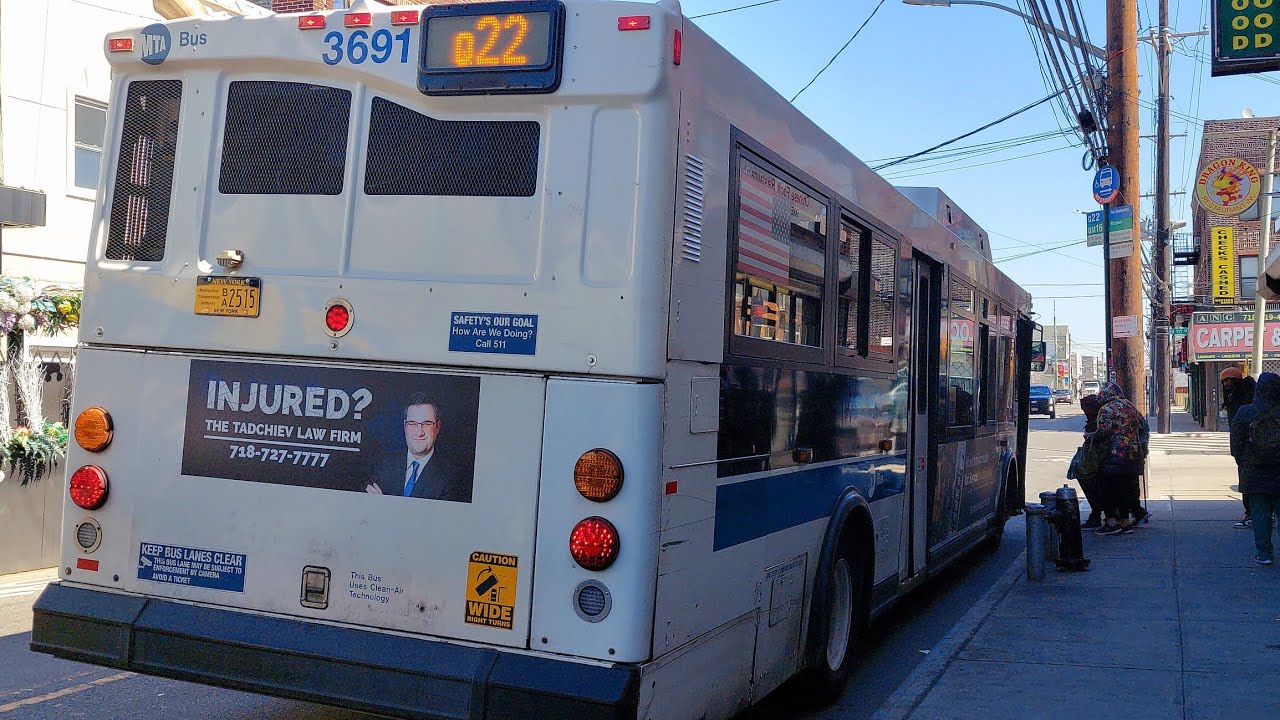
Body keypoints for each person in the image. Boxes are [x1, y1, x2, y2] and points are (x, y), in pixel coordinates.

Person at [366, 393, 471, 503]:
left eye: (426, 424)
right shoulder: (385, 464)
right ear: (405, 426)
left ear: (437, 427)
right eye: (412, 423)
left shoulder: (453, 477)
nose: (419, 432)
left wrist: (384, 504)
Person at [1229, 372, 1280, 565]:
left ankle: (1264, 553)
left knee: (1260, 513)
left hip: (1254, 471)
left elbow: (1236, 443)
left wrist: (1243, 462)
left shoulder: (1245, 412)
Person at [1091, 381, 1150, 536]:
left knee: (1106, 489)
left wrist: (1090, 436)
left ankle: (1111, 522)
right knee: (1125, 490)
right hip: (1133, 455)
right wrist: (1143, 447)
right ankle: (1125, 523)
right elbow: (1144, 428)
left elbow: (1103, 432)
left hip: (1113, 456)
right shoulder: (1130, 406)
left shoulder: (1106, 409)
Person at [1224, 370, 1258, 528]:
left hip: (1248, 452)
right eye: (1224, 382)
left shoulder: (1242, 405)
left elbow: (1238, 433)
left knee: (1249, 484)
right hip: (1258, 452)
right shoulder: (1246, 400)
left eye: (1228, 381)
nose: (1226, 385)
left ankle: (1252, 515)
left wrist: (1238, 453)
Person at [1076, 394, 1104, 529]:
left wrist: (1090, 436)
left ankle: (1098, 514)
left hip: (1100, 460)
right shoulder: (1095, 419)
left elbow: (1102, 435)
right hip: (1095, 459)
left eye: (1086, 410)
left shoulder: (1100, 420)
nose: (1085, 413)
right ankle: (1097, 514)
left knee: (1092, 483)